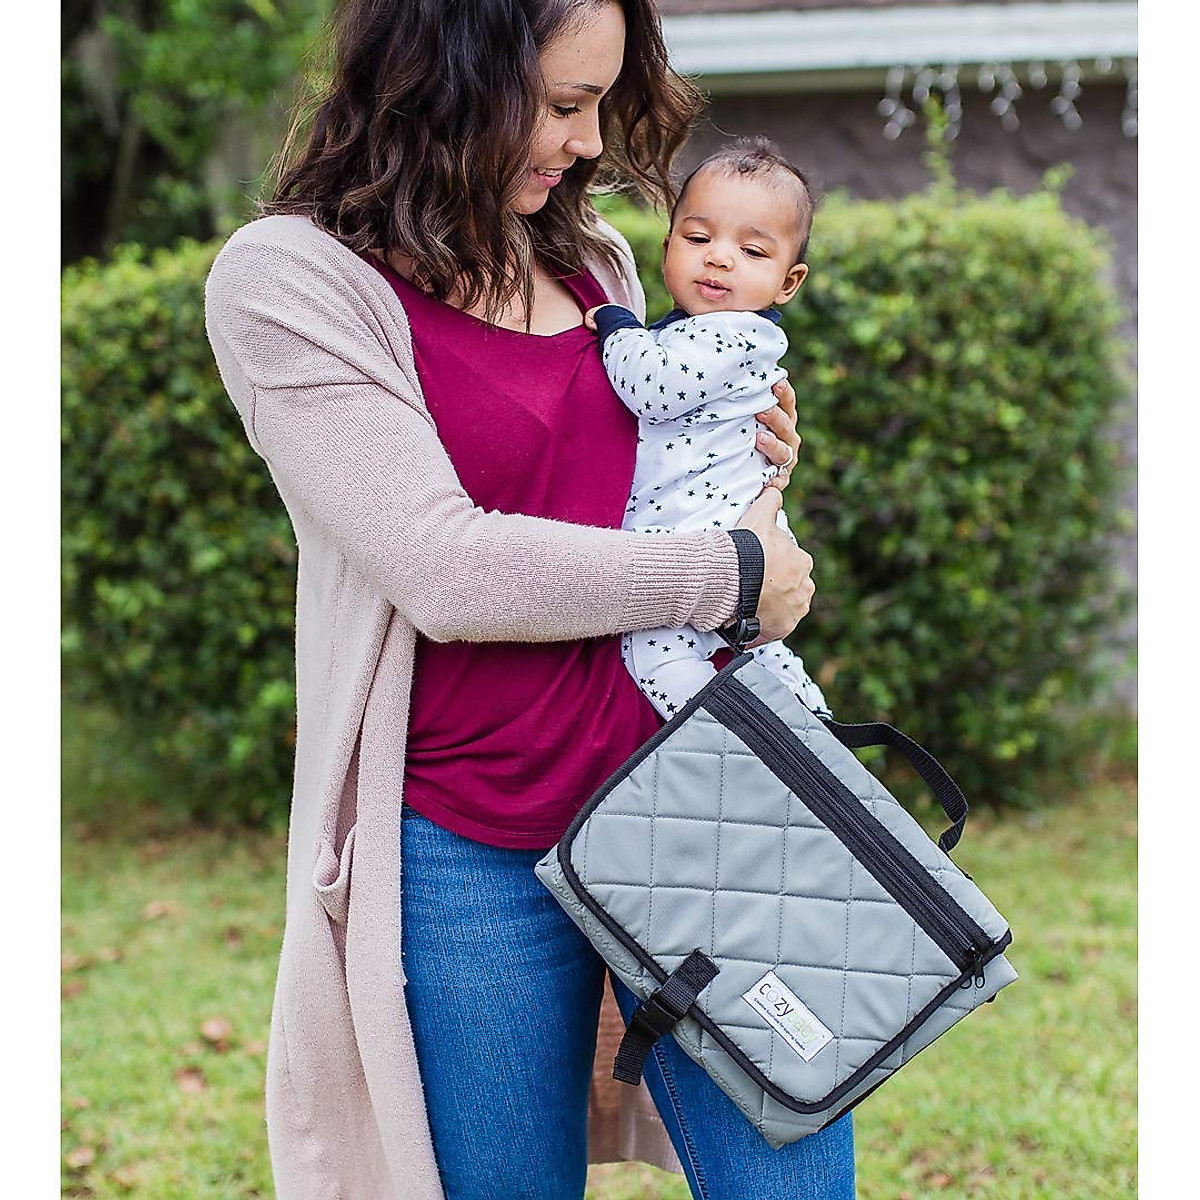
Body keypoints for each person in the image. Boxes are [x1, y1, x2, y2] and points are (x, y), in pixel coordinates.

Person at [203, 1, 852, 1197]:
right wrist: (735, 576)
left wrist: (760, 474)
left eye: (601, 102)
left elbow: (662, 475)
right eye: (562, 104)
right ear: (441, 76)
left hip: (696, 796)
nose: (594, 140)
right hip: (471, 840)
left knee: (794, 1170)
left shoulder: (586, 255)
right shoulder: (292, 283)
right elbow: (446, 567)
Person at [585, 136, 833, 721]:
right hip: (711, 531)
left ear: (788, 283)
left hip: (707, 536)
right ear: (668, 247)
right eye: (699, 239)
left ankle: (731, 735)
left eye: (752, 251)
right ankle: (804, 723)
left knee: (657, 654)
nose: (719, 257)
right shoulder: (698, 330)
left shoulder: (734, 333)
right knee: (756, 653)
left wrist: (617, 327)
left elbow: (652, 387)